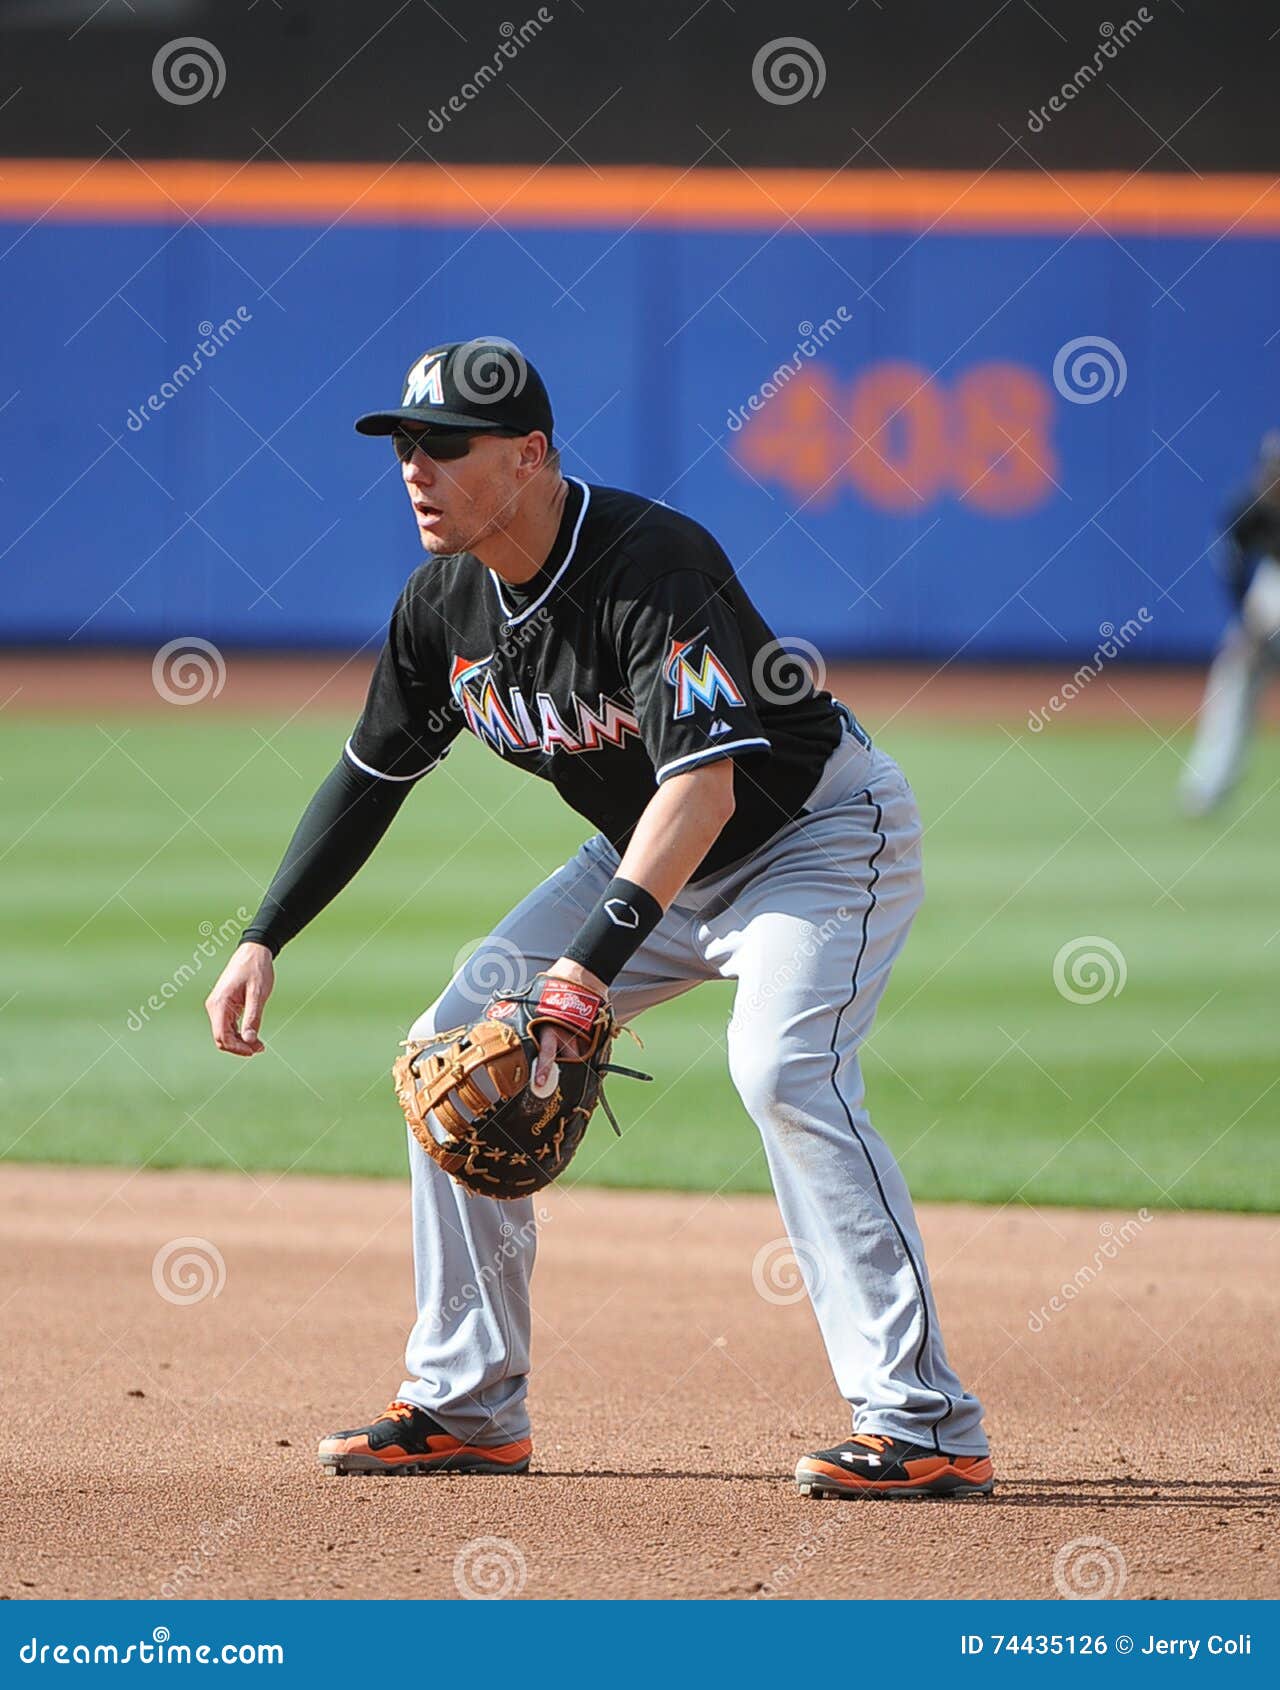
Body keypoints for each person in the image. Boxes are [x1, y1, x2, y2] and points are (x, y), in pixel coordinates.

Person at [204, 338, 993, 1500]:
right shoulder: (443, 605)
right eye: (402, 445)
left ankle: (922, 1423)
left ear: (527, 456)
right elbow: (370, 777)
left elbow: (705, 786)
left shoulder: (649, 564)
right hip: (645, 858)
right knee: (455, 1048)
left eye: (441, 446)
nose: (412, 468)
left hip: (812, 843)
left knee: (782, 1070)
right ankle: (467, 1404)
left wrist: (584, 968)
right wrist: (263, 932)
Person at [1180, 431, 1280, 816]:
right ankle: (1208, 784)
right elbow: (1232, 567)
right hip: (1271, 588)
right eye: (1271, 471)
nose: (1274, 480)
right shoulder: (1249, 508)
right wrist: (1246, 624)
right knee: (1234, 675)